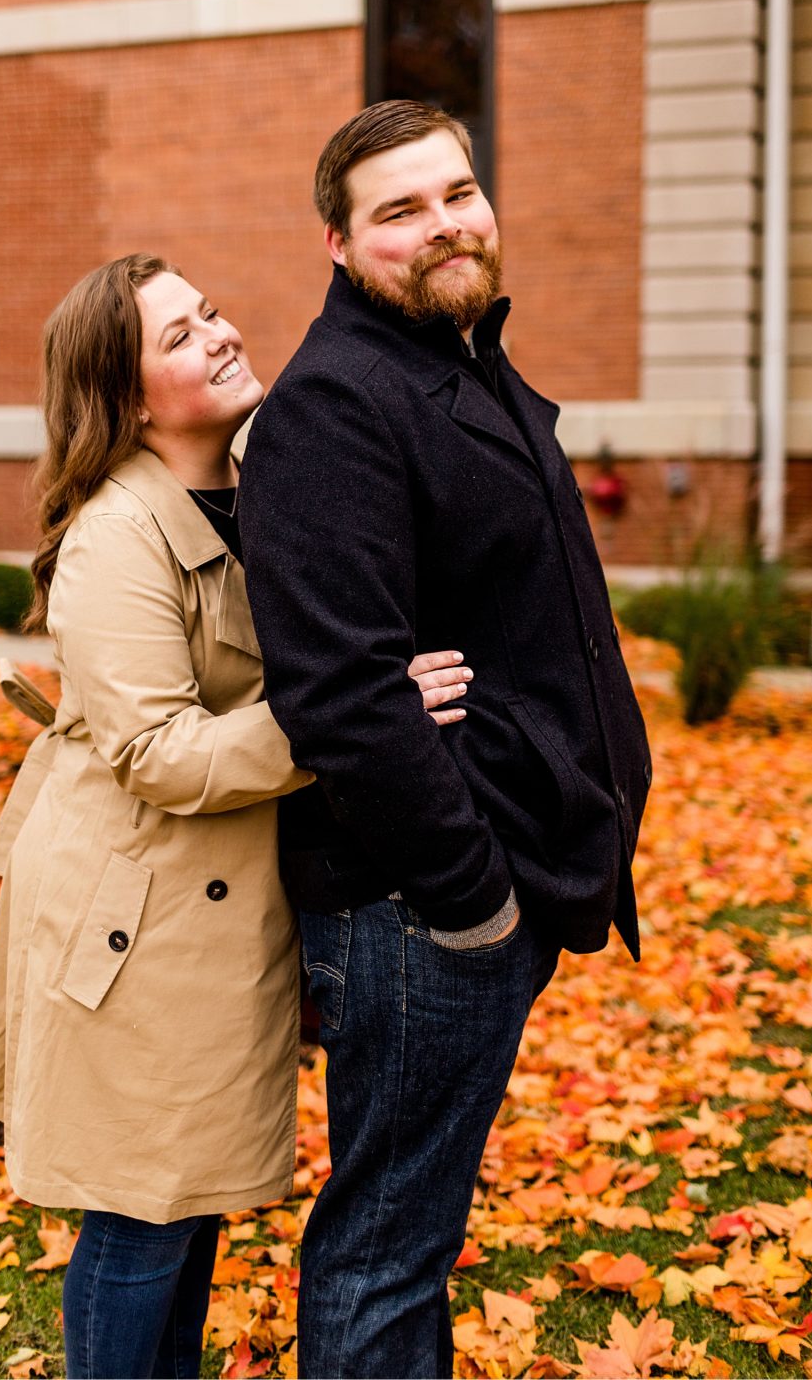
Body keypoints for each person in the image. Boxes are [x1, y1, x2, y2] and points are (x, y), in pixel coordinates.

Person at [0, 252, 476, 1380]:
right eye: (182, 336)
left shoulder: (250, 488)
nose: (222, 334)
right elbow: (156, 753)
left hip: (204, 904)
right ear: (130, 395)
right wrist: (352, 718)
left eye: (210, 312)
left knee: (183, 1201)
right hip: (134, 919)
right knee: (143, 1214)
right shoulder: (116, 536)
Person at [238, 101, 653, 1379]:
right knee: (381, 1243)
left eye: (457, 192)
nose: (444, 225)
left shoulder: (464, 360)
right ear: (337, 243)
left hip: (500, 874)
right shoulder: (334, 408)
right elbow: (346, 696)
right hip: (419, 908)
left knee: (414, 1230)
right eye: (400, 211)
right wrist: (474, 901)